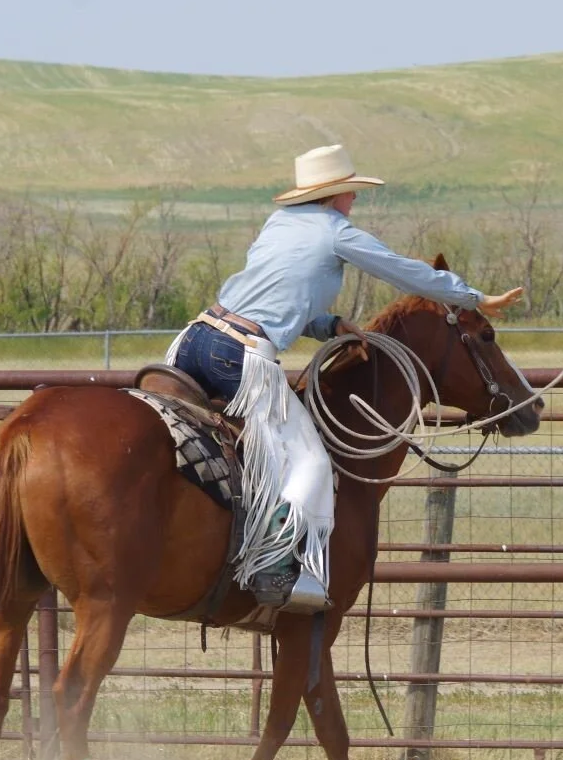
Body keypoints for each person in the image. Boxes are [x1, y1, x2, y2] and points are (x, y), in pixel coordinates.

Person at [165, 144, 518, 612]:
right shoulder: (336, 233)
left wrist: (328, 326)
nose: (353, 201)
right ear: (336, 195)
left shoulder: (278, 226)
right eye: (351, 192)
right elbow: (404, 271)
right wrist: (473, 298)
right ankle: (274, 568)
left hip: (193, 339)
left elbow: (273, 295)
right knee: (307, 459)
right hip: (240, 354)